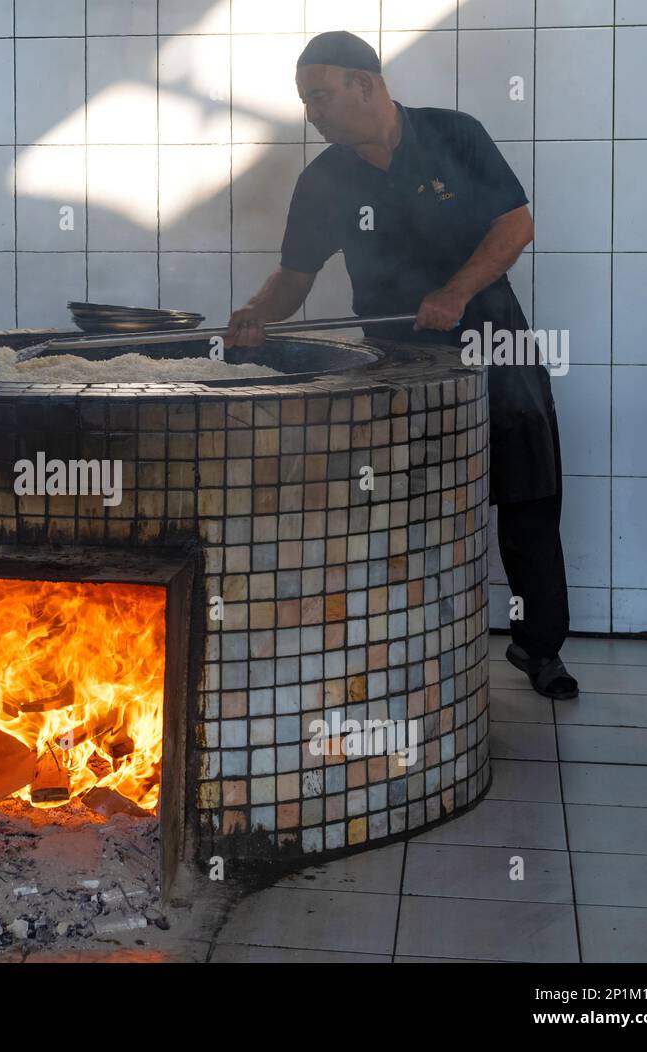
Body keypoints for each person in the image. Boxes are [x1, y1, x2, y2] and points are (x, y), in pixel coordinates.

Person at [228, 31, 576, 699]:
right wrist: (257, 312)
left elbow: (515, 225)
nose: (313, 114)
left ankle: (540, 649)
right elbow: (295, 277)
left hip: (491, 341)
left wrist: (455, 291)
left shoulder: (455, 136)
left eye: (321, 97)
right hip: (398, 360)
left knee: (528, 494)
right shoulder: (325, 179)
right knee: (402, 499)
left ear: (365, 84)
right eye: (306, 101)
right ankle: (405, 642)